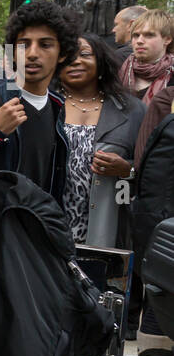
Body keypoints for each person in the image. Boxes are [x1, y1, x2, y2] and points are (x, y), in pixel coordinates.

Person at [0, 0, 79, 206]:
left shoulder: (57, 106)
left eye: (45, 45)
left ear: (62, 53)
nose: (32, 54)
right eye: (24, 44)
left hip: (35, 229)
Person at [55, 33, 143, 244]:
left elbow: (155, 174)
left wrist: (127, 170)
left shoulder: (133, 110)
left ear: (101, 62)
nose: (75, 60)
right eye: (66, 55)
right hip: (50, 230)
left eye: (85, 54)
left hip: (108, 231)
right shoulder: (43, 107)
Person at [120, 9, 174, 106]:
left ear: (167, 39)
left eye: (149, 35)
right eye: (136, 35)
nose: (139, 41)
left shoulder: (172, 74)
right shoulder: (117, 67)